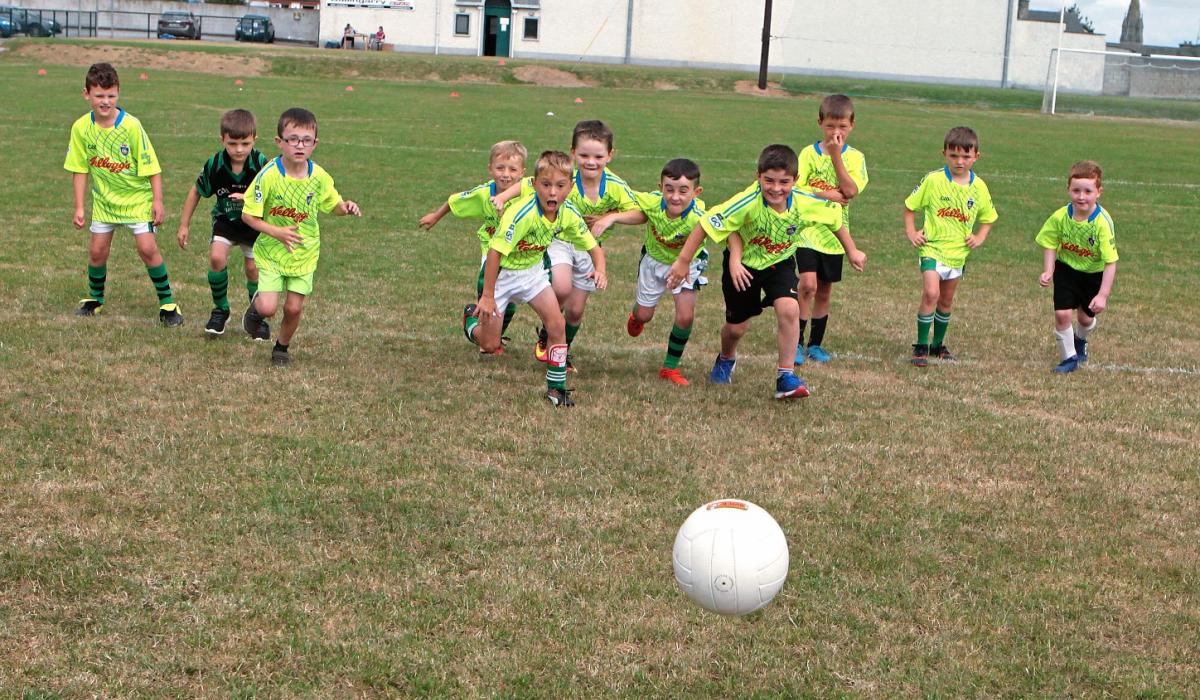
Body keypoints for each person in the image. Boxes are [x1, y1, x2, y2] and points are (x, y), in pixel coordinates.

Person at [667, 144, 843, 400]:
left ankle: (786, 376)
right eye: (769, 180)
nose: (776, 188)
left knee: (789, 309)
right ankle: (726, 358)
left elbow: (835, 217)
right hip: (744, 268)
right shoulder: (747, 201)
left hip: (779, 263)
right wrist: (683, 262)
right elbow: (706, 223)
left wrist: (852, 249)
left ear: (795, 180)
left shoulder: (804, 200)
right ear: (758, 176)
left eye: (784, 182)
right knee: (736, 328)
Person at [493, 119, 637, 371]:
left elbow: (639, 213)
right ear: (573, 153)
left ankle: (559, 348)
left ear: (610, 156)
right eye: (584, 155)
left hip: (588, 248)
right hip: (559, 241)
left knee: (576, 311)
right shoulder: (563, 178)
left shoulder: (615, 186)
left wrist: (611, 217)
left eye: (598, 156)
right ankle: (550, 327)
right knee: (561, 286)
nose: (590, 162)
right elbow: (528, 183)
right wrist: (503, 196)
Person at [471, 151, 607, 407]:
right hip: (503, 276)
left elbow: (593, 246)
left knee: (557, 325)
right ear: (534, 185)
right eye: (545, 185)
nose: (552, 193)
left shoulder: (568, 214)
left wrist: (600, 268)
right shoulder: (523, 215)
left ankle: (556, 389)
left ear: (570, 187)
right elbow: (495, 252)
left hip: (532, 274)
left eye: (560, 186)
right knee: (489, 345)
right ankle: (471, 320)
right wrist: (488, 296)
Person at [240, 107, 362, 366]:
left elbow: (332, 205)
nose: (299, 145)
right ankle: (255, 309)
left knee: (293, 308)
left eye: (306, 140)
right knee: (268, 309)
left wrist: (345, 207)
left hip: (304, 251)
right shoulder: (268, 176)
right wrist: (277, 232)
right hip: (273, 250)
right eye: (292, 139)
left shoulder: (318, 177)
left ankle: (281, 348)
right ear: (279, 142)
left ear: (314, 144)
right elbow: (248, 216)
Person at [64, 62, 181, 326]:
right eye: (99, 95)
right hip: (105, 202)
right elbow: (79, 170)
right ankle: (95, 299)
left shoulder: (131, 126)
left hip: (137, 200)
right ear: (87, 94)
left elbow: (153, 167)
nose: (105, 102)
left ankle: (168, 304)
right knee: (97, 252)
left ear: (118, 94)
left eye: (111, 95)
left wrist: (158, 201)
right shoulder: (81, 128)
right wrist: (80, 207)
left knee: (147, 248)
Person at [590, 158, 707, 386]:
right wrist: (611, 216)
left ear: (697, 192)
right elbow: (637, 210)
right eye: (669, 189)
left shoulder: (699, 216)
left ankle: (670, 367)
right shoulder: (652, 202)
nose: (675, 196)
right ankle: (637, 317)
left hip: (687, 266)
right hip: (653, 262)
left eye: (684, 191)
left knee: (685, 316)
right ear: (660, 187)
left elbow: (716, 228)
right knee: (645, 315)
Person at [419, 140, 527, 353]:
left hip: (520, 254)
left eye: (512, 169)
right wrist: (435, 217)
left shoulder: (528, 193)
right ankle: (473, 321)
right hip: (493, 252)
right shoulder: (483, 193)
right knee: (491, 299)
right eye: (500, 168)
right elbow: (454, 201)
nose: (506, 174)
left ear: (522, 172)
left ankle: (496, 335)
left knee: (513, 300)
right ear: (490, 169)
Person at [903, 126, 998, 367]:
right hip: (932, 248)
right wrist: (912, 232)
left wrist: (980, 236)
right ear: (944, 153)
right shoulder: (934, 180)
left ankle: (938, 345)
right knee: (931, 293)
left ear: (977, 156)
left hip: (958, 253)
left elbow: (989, 217)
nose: (960, 161)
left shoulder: (979, 188)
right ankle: (921, 345)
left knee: (945, 301)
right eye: (954, 155)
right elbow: (909, 207)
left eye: (966, 156)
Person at [176, 108, 271, 339]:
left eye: (245, 144)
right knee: (217, 258)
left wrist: (249, 199)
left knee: (253, 270)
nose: (239, 149)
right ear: (223, 140)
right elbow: (196, 192)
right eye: (232, 143)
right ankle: (221, 310)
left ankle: (256, 317)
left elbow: (273, 195)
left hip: (253, 224)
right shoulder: (215, 164)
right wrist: (184, 225)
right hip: (225, 221)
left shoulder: (261, 164)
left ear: (254, 140)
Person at [793, 94, 868, 365]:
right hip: (806, 230)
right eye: (830, 126)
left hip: (836, 234)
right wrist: (826, 194)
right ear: (820, 123)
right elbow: (797, 189)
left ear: (852, 126)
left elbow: (849, 191)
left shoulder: (856, 158)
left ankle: (815, 344)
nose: (836, 132)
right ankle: (796, 344)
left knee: (824, 290)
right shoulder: (807, 154)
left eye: (842, 127)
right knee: (807, 285)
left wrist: (836, 156)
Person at [1036, 160, 1117, 373]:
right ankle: (1069, 359)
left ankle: (1080, 339)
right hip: (1067, 270)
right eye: (1076, 190)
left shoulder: (1101, 223)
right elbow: (1050, 243)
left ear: (1099, 192)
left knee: (1085, 318)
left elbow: (1110, 262)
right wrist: (1049, 270)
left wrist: (1103, 295)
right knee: (1062, 314)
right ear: (1068, 190)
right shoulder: (1060, 216)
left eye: (1088, 191)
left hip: (1093, 273)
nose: (1082, 196)